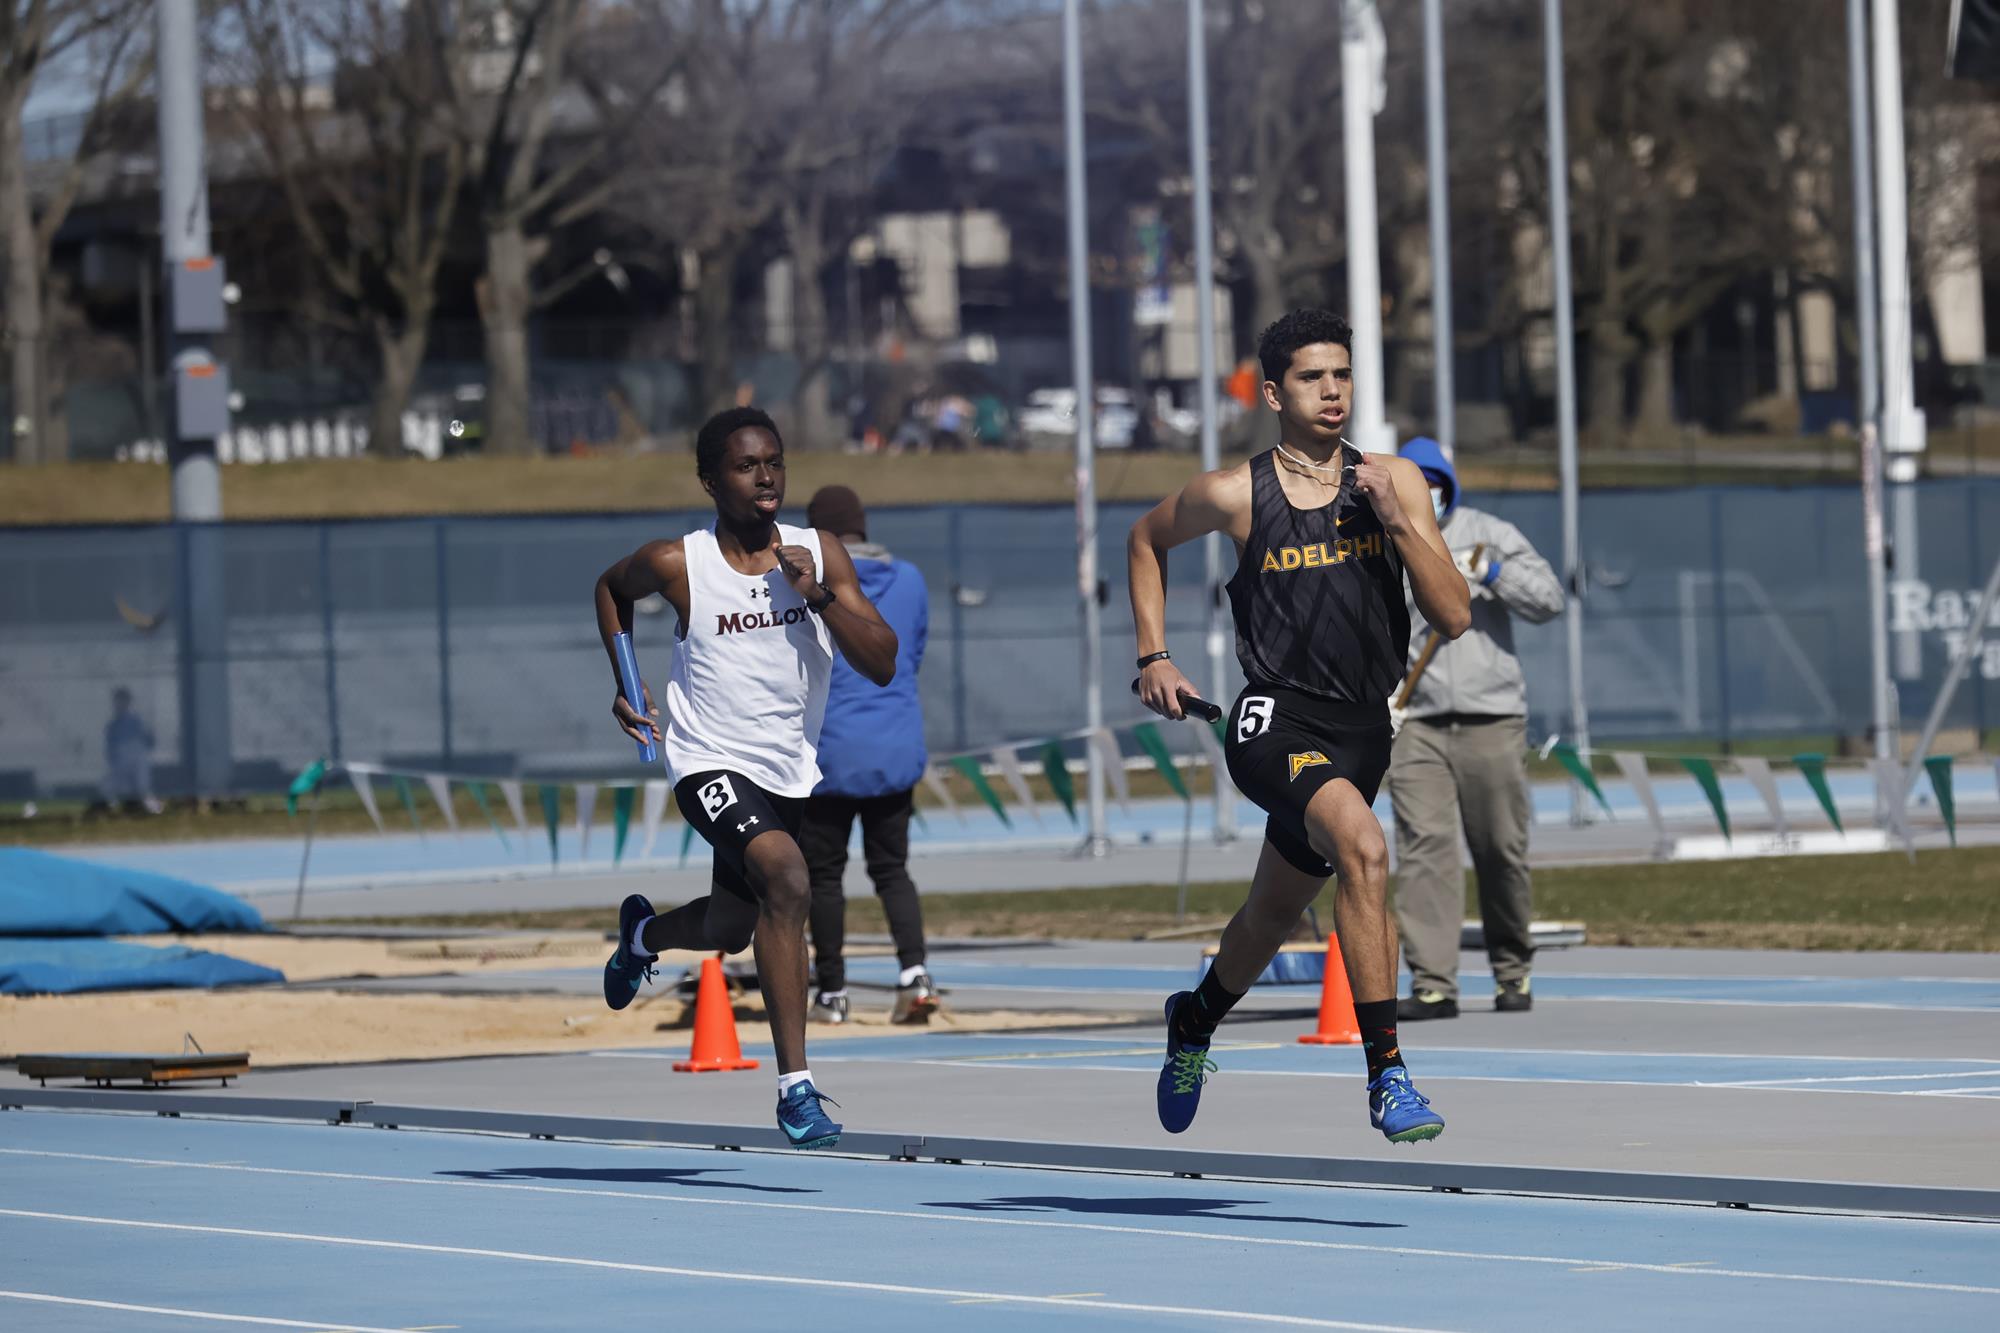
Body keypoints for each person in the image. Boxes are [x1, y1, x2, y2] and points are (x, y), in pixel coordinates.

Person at [1129, 308, 1470, 1144]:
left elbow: (1454, 614)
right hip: (1272, 718)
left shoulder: (1394, 481)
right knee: (1365, 844)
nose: (1333, 392)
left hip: (1361, 730)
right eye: (1315, 378)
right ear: (1276, 393)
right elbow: (1145, 538)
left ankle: (1197, 1018)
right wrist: (1153, 655)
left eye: (1343, 375)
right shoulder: (1234, 492)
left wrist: (1395, 522)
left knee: (1271, 916)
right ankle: (1388, 1075)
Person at [595, 407, 900, 1151]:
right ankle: (796, 1090)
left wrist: (819, 596)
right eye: (745, 464)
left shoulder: (817, 552)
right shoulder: (679, 562)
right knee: (789, 878)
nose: (766, 475)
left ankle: (641, 935)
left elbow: (883, 660)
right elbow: (610, 590)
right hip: (706, 761)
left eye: (775, 461)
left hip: (786, 771)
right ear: (710, 480)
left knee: (732, 926)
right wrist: (628, 684)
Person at [1387, 437, 1564, 1020]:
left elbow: (1548, 600)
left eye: (1435, 480)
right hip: (1417, 722)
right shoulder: (1386, 538)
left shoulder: (1492, 532)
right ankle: (1434, 983)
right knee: (1423, 852)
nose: (1427, 491)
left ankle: (1513, 970)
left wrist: (1493, 571)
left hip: (1492, 718)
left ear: (1449, 485)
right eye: (1416, 479)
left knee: (1500, 850)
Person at [796, 485, 938, 1026]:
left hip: (830, 751)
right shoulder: (910, 579)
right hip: (894, 745)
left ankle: (832, 992)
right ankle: (914, 973)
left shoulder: (809, 585)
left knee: (824, 877)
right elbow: (912, 653)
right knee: (893, 870)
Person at [102, 688, 161, 815]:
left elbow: (149, 742)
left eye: (123, 700)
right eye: (117, 701)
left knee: (143, 787)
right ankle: (114, 811)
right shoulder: (113, 725)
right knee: (109, 786)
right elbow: (110, 750)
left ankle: (155, 810)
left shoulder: (137, 721)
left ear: (129, 702)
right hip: (121, 761)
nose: (120, 704)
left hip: (137, 758)